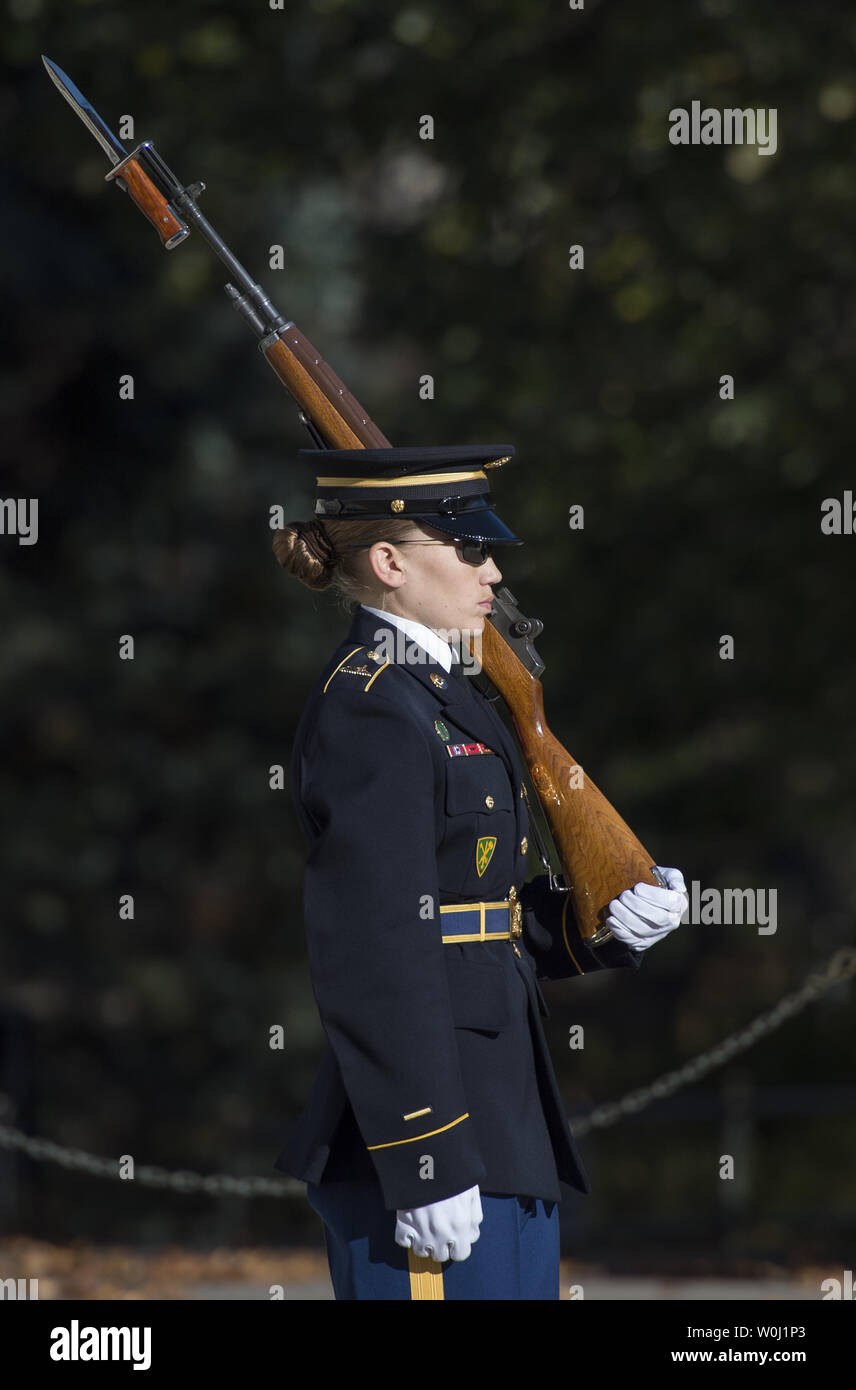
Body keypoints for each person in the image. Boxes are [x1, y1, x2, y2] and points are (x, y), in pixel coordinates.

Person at [272, 443, 687, 1300]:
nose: (491, 569)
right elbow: (374, 945)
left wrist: (597, 922)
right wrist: (424, 1152)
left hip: (502, 1123)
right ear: (388, 563)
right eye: (467, 549)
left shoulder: (447, 696)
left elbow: (474, 912)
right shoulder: (373, 708)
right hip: (431, 1139)